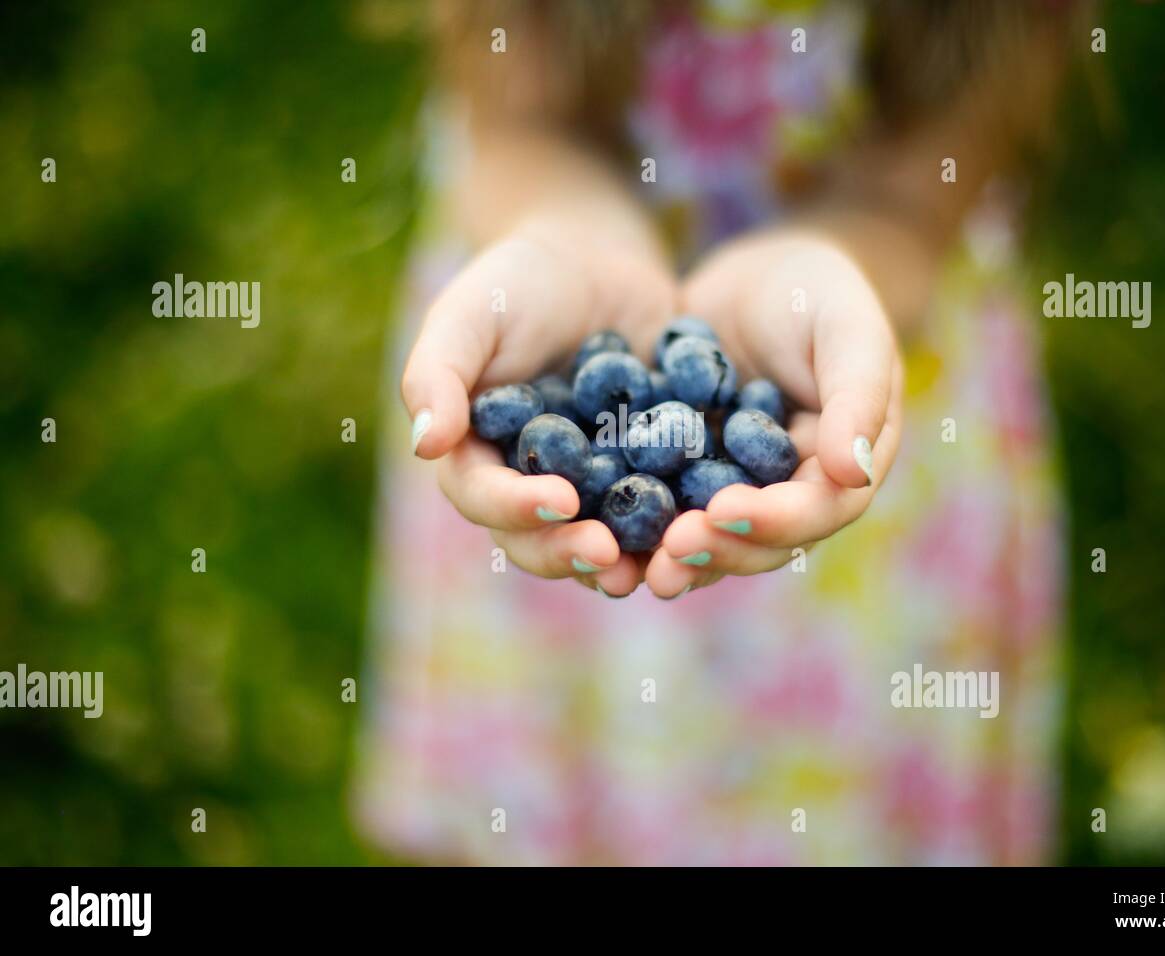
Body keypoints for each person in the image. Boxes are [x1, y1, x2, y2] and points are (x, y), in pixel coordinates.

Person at [353, 0, 1076, 865]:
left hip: (858, 395)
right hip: (553, 320)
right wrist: (568, 241)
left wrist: (843, 269)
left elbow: (916, 196)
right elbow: (515, 124)